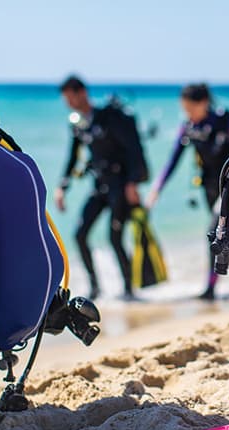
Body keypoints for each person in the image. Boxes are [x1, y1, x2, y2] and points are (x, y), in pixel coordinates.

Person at [146, 83, 229, 300]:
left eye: (189, 108)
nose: (187, 113)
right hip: (210, 188)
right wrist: (157, 189)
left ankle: (211, 288)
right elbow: (173, 160)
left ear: (203, 103)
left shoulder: (225, 121)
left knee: (215, 231)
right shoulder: (189, 128)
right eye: (184, 109)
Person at [55, 75, 148, 300]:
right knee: (80, 234)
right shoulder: (79, 123)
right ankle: (95, 288)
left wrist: (133, 183)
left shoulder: (110, 117)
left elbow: (135, 150)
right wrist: (62, 187)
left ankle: (128, 290)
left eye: (70, 97)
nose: (68, 103)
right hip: (100, 187)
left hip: (121, 187)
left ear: (82, 93)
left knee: (114, 238)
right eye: (65, 99)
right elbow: (73, 156)